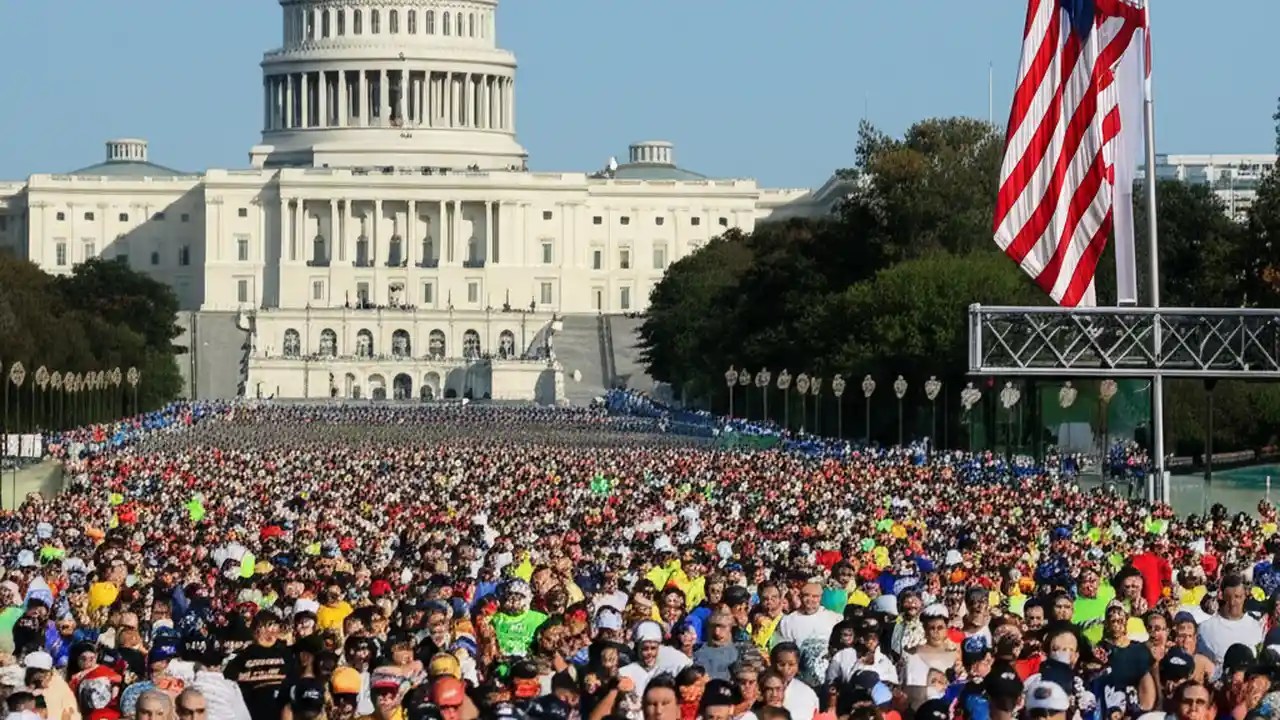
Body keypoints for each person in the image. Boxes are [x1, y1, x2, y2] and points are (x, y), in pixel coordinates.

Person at [223, 612, 294, 720]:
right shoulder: (244, 656)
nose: (270, 632)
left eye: (274, 627)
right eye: (266, 627)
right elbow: (229, 684)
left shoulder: (286, 655)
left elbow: (295, 685)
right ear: (256, 630)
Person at [1197, 576, 1264, 670]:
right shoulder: (1205, 627)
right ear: (1221, 596)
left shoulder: (1256, 627)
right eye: (1228, 597)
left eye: (1238, 597)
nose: (1232, 602)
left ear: (1245, 596)